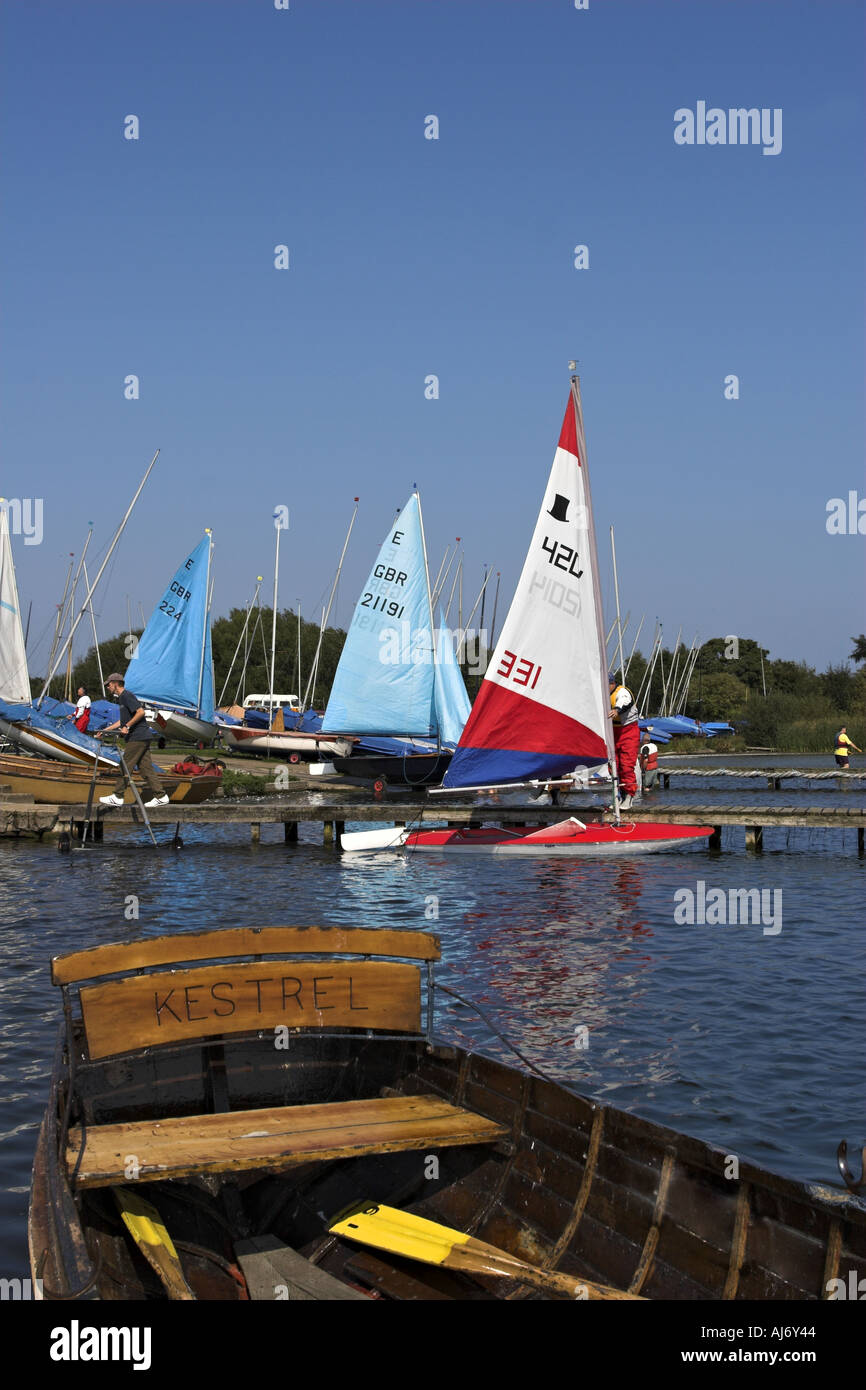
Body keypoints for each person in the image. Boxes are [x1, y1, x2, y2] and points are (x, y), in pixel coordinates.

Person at [96, 673, 169, 807]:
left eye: (108, 685)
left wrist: (127, 726)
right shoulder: (121, 699)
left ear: (116, 684)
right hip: (142, 736)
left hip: (138, 737)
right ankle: (161, 796)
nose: (107, 687)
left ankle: (118, 796)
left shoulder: (126, 696)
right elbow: (123, 721)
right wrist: (107, 730)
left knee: (125, 765)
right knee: (146, 769)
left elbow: (140, 712)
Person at [609, 673, 641, 809]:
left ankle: (629, 796)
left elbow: (624, 702)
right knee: (613, 767)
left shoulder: (622, 692)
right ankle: (618, 797)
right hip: (612, 732)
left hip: (628, 731)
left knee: (626, 765)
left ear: (612, 683)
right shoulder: (602, 694)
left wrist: (616, 709)